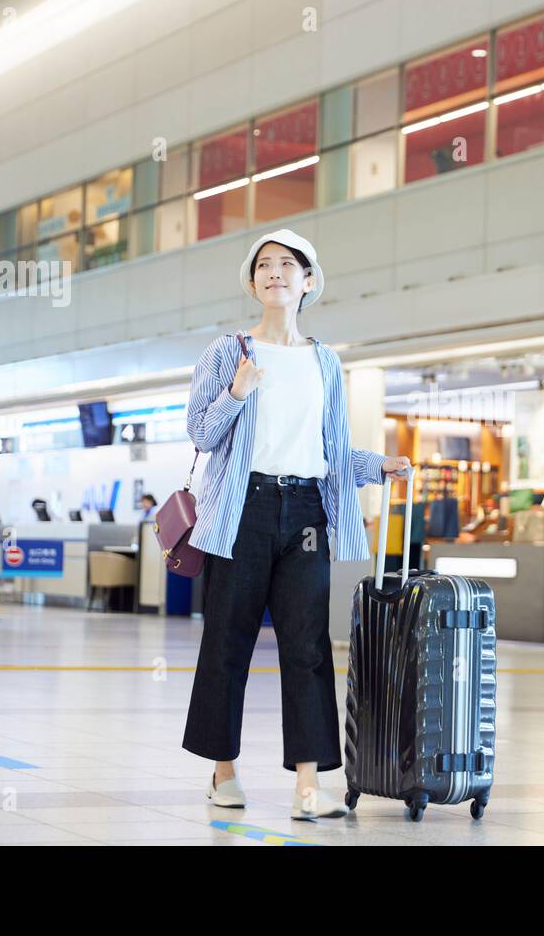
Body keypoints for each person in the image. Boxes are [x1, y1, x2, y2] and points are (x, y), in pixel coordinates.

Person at [181, 228, 411, 822]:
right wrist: (236, 391)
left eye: (288, 264)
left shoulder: (325, 362)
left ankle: (309, 785)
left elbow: (331, 448)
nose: (274, 272)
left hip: (307, 511)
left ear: (308, 282)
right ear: (252, 281)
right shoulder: (225, 352)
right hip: (243, 511)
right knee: (226, 641)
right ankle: (223, 771)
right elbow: (202, 436)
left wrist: (376, 466)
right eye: (264, 265)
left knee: (307, 648)